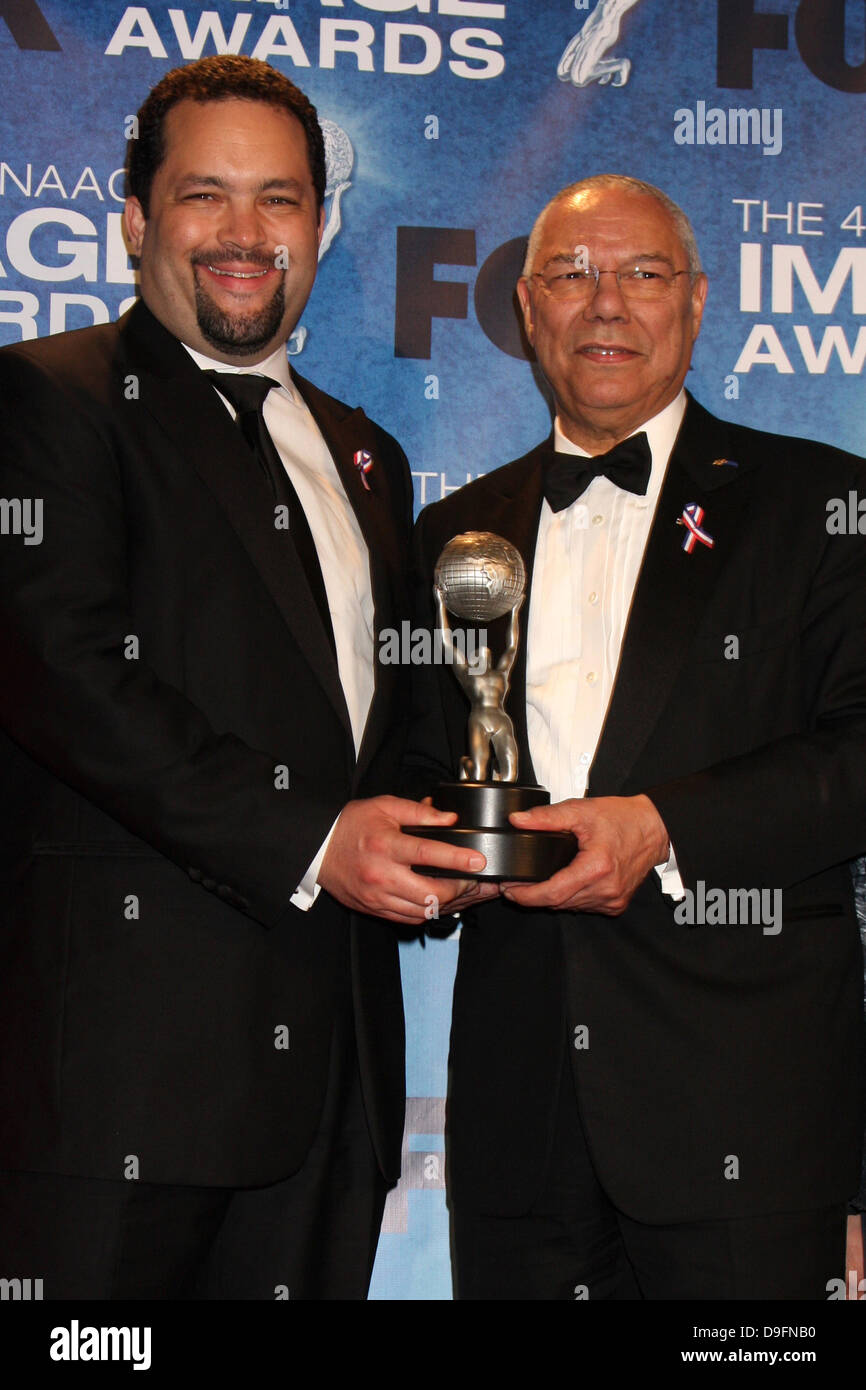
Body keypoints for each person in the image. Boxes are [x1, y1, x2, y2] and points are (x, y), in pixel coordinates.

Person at [0, 55, 484, 1300]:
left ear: (319, 225)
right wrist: (323, 840)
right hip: (123, 1086)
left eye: (279, 199)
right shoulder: (46, 401)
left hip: (338, 1089)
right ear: (132, 220)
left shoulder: (364, 453)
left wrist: (455, 835)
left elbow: (398, 718)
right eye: (203, 195)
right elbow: (65, 677)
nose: (243, 233)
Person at [406, 175, 866, 1300]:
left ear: (698, 301)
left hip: (746, 1120)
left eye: (641, 273)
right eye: (570, 275)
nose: (603, 303)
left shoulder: (821, 505)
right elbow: (416, 771)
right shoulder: (446, 539)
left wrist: (662, 828)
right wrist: (438, 863)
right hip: (521, 1124)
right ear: (526, 308)